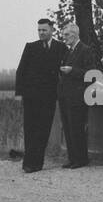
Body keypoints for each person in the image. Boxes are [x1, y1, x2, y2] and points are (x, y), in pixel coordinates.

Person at [14, 18, 67, 173]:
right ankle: (29, 164)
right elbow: (20, 71)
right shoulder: (31, 47)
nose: (41, 33)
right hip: (31, 96)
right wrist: (19, 93)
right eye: (39, 30)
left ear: (52, 30)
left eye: (44, 30)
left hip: (49, 96)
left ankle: (37, 163)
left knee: (43, 130)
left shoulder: (60, 47)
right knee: (30, 129)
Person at [56, 22, 100, 169]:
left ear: (74, 35)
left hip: (78, 96)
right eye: (63, 35)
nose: (64, 38)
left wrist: (72, 70)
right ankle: (72, 158)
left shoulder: (85, 50)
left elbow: (92, 73)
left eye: (67, 35)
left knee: (77, 128)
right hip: (66, 96)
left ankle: (81, 159)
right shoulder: (68, 52)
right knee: (68, 128)